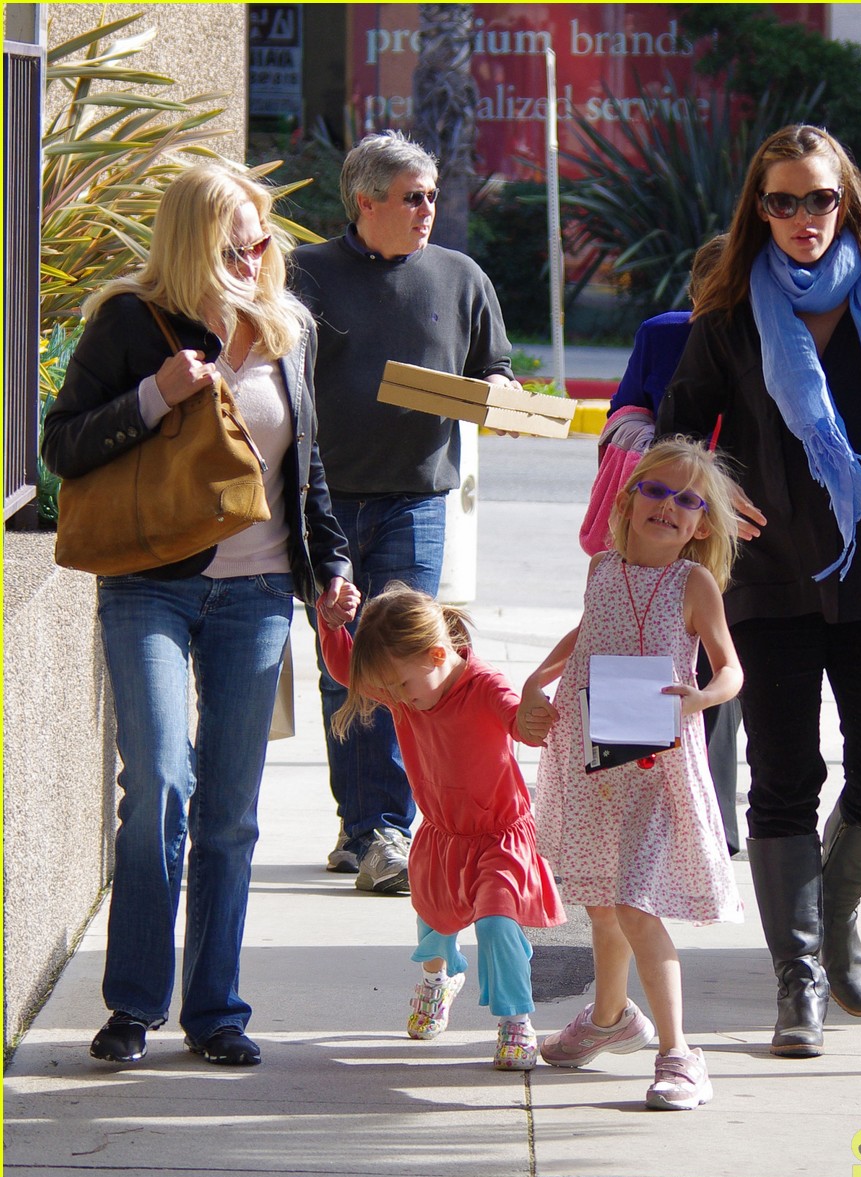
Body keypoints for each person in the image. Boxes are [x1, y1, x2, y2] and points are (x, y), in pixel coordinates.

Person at [657, 124, 861, 1058]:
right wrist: (718, 492)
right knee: (782, 779)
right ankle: (798, 985)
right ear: (759, 207)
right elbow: (679, 433)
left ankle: (833, 912)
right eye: (782, 201)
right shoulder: (727, 313)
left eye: (819, 199)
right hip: (768, 579)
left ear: (846, 201)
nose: (801, 218)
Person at [41, 164, 361, 1067]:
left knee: (230, 812)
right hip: (148, 582)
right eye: (236, 242)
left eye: (263, 240)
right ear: (192, 241)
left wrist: (330, 568)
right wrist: (156, 397)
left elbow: (308, 472)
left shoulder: (283, 332)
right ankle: (133, 1006)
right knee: (158, 789)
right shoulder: (128, 323)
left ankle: (216, 1010)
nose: (255, 256)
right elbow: (60, 443)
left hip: (258, 594)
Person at [290, 130, 519, 895]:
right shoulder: (304, 275)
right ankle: (364, 828)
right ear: (365, 201)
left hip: (417, 498)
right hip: (321, 502)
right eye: (413, 197)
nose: (430, 210)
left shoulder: (460, 276)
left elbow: (496, 368)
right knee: (344, 663)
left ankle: (387, 828)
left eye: (432, 195)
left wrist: (504, 396)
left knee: (403, 660)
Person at [520, 437, 744, 1111]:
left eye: (688, 501)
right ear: (627, 499)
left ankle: (678, 1052)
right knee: (601, 899)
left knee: (636, 906)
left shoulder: (693, 583)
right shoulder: (600, 570)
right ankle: (610, 1019)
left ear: (702, 524)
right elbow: (586, 631)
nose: (669, 507)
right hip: (593, 759)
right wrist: (537, 679)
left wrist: (706, 695)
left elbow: (730, 666)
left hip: (657, 765)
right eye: (656, 491)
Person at [316, 583, 565, 1070]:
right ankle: (438, 978)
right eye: (388, 689)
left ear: (435, 655)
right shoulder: (407, 692)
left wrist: (533, 721)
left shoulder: (485, 685)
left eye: (399, 687)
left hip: (499, 836)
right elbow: (346, 669)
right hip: (442, 835)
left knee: (498, 924)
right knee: (435, 924)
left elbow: (517, 721)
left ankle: (515, 1022)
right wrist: (331, 626)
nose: (391, 698)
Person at [580, 234, 742, 856]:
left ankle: (708, 824)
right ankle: (629, 810)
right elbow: (623, 414)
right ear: (696, 293)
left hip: (734, 527)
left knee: (715, 671)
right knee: (644, 658)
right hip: (668, 520)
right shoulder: (663, 333)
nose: (719, 314)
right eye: (712, 299)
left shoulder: (772, 341)